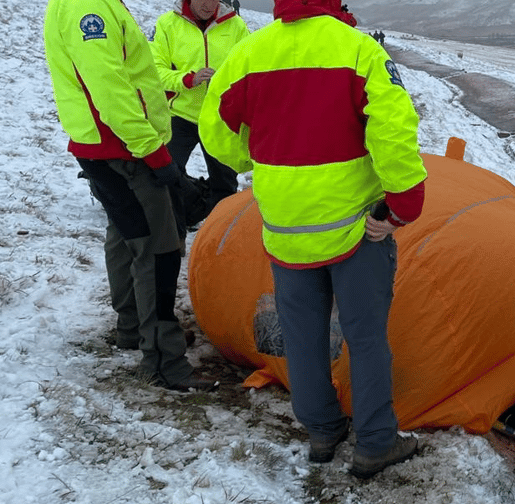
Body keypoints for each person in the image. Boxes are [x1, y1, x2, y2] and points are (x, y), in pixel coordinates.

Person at [199, 0, 426, 479]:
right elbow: (394, 131)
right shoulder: (358, 51)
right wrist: (402, 208)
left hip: (285, 228)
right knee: (365, 339)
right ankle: (375, 444)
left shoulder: (249, 52)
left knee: (302, 336)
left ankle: (323, 431)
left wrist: (252, 159)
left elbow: (215, 127)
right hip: (355, 229)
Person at [44, 0, 215, 391]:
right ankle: (164, 362)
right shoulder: (91, 12)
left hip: (106, 147)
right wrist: (154, 153)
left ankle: (134, 328)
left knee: (126, 237)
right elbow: (109, 88)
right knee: (159, 251)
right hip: (125, 149)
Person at [151, 0, 249, 217]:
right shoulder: (167, 24)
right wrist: (187, 79)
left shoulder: (236, 26)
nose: (208, 5)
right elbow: (155, 70)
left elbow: (247, 69)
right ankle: (182, 222)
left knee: (225, 184)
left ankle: (220, 233)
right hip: (180, 115)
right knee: (168, 173)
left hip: (219, 117)